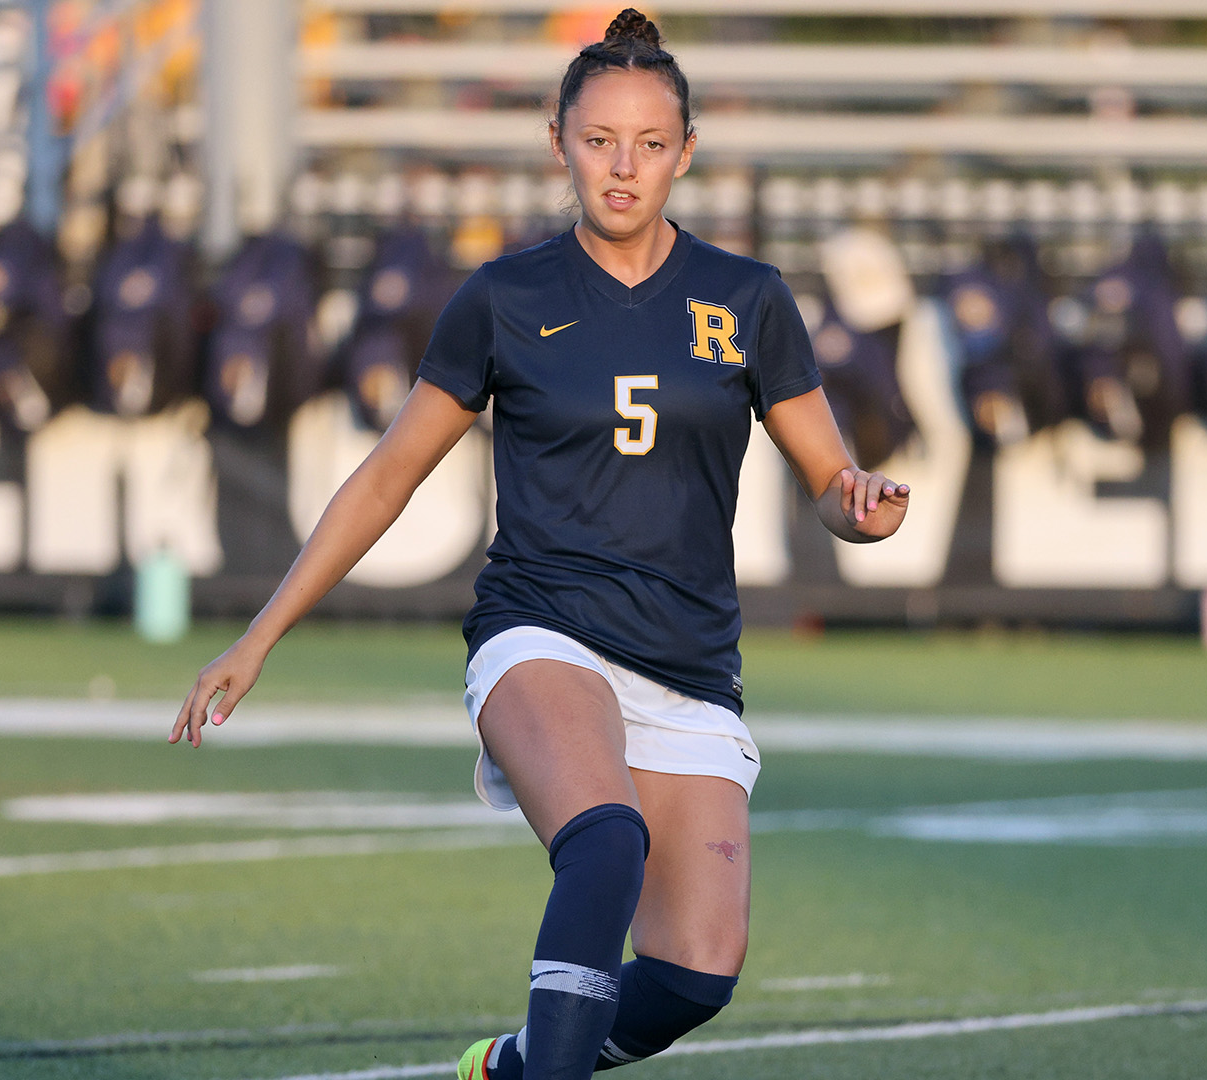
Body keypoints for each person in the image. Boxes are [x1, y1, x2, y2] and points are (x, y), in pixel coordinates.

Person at [168, 11, 911, 1080]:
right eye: (599, 139)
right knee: (604, 843)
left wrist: (863, 504)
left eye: (650, 144)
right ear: (555, 138)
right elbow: (387, 476)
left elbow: (831, 486)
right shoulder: (503, 298)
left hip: (691, 662)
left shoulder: (749, 299)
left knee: (698, 969)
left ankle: (513, 1068)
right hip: (542, 630)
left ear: (687, 153)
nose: (623, 166)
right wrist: (258, 636)